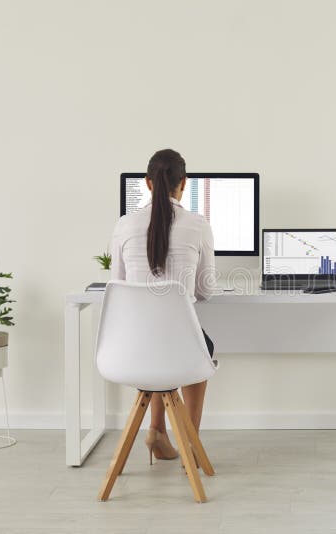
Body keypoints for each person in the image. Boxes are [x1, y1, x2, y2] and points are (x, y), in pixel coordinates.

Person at [110, 148, 216, 462]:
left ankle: (157, 428)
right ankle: (191, 445)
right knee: (195, 345)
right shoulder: (197, 225)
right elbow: (206, 290)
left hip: (132, 350)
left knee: (156, 339)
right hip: (176, 348)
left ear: (148, 183)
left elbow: (117, 285)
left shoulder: (124, 225)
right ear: (183, 183)